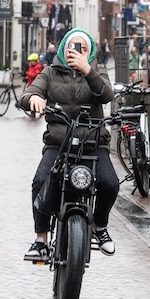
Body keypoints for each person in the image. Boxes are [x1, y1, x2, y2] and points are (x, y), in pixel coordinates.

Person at [20, 28, 118, 261]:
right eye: (72, 47)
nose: (76, 52)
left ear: (90, 52)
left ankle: (100, 226)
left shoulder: (97, 70)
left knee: (110, 183)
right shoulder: (50, 72)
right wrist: (33, 98)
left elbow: (106, 95)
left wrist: (88, 70)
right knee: (40, 182)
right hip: (59, 143)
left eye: (82, 48)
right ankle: (41, 239)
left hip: (93, 142)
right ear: (63, 48)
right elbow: (28, 94)